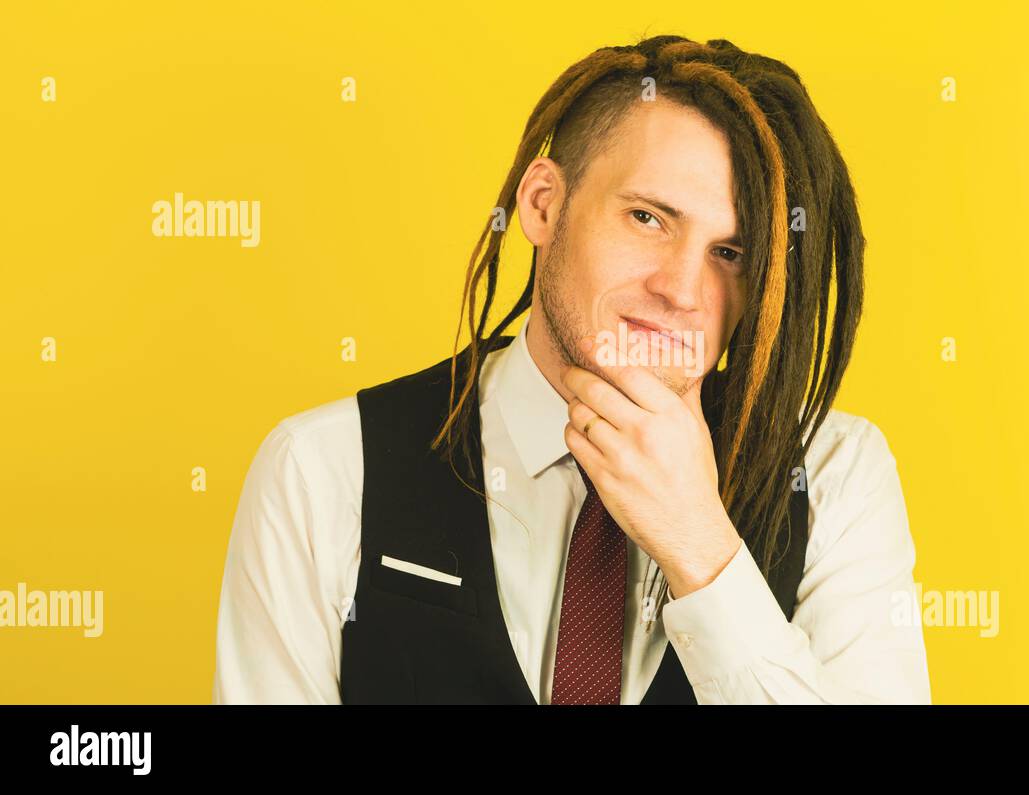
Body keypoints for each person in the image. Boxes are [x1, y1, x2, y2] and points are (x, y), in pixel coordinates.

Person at [213, 34, 930, 704]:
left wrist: (702, 545)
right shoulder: (324, 467)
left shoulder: (835, 476)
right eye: (649, 218)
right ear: (543, 204)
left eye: (730, 253)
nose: (681, 289)